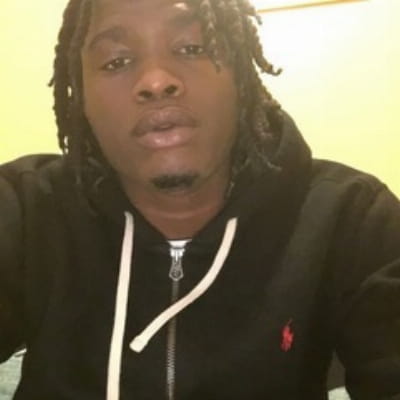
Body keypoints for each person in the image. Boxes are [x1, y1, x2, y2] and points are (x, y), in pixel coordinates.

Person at [0, 0, 399, 398]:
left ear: (241, 75)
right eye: (116, 61)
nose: (156, 81)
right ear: (80, 96)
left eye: (192, 47)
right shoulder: (25, 207)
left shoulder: (352, 217)